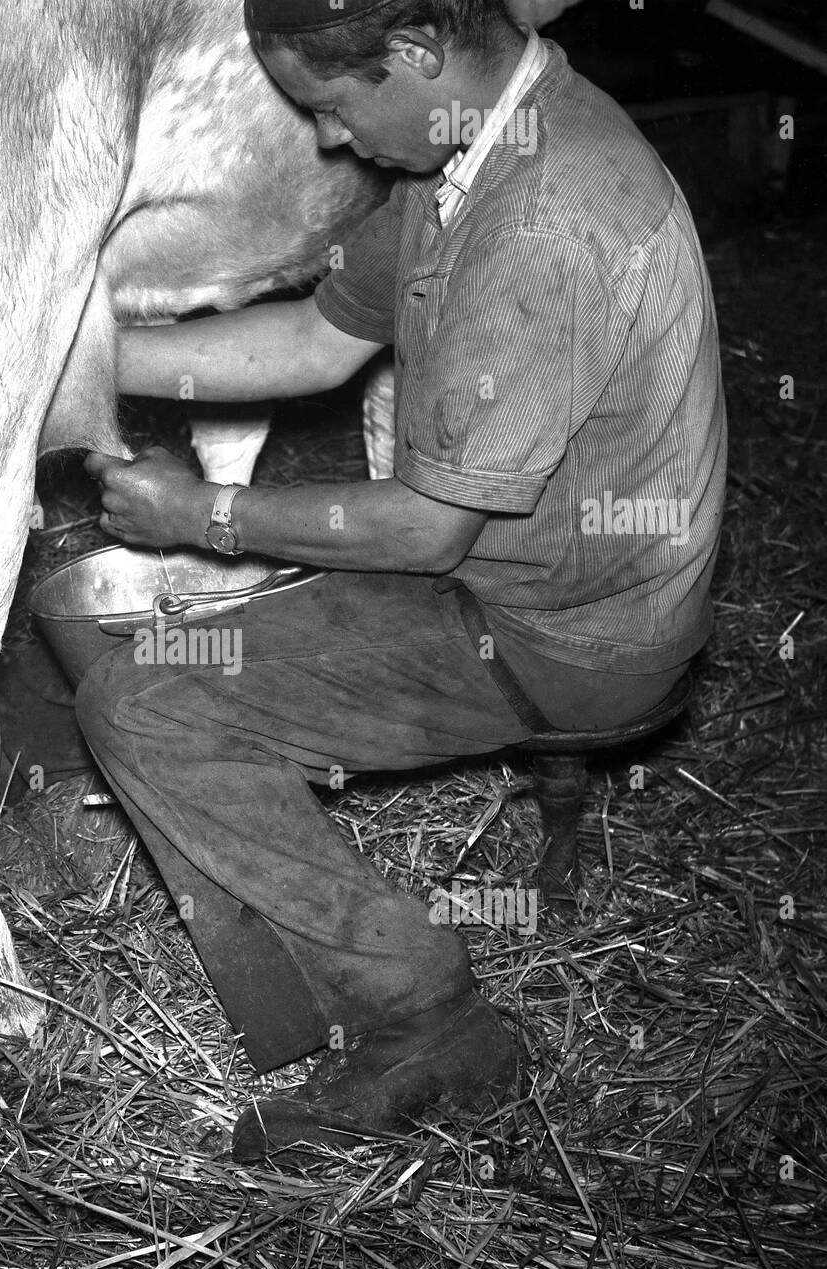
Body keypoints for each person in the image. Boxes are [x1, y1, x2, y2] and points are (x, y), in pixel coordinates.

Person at [76, 0, 726, 1161]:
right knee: (192, 657)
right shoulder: (470, 154)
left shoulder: (545, 216)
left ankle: (423, 1018)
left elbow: (427, 528)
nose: (328, 142)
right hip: (532, 578)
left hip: (567, 636)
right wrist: (76, 362)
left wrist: (205, 514)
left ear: (418, 56)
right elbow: (316, 343)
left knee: (147, 702)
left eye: (333, 106)